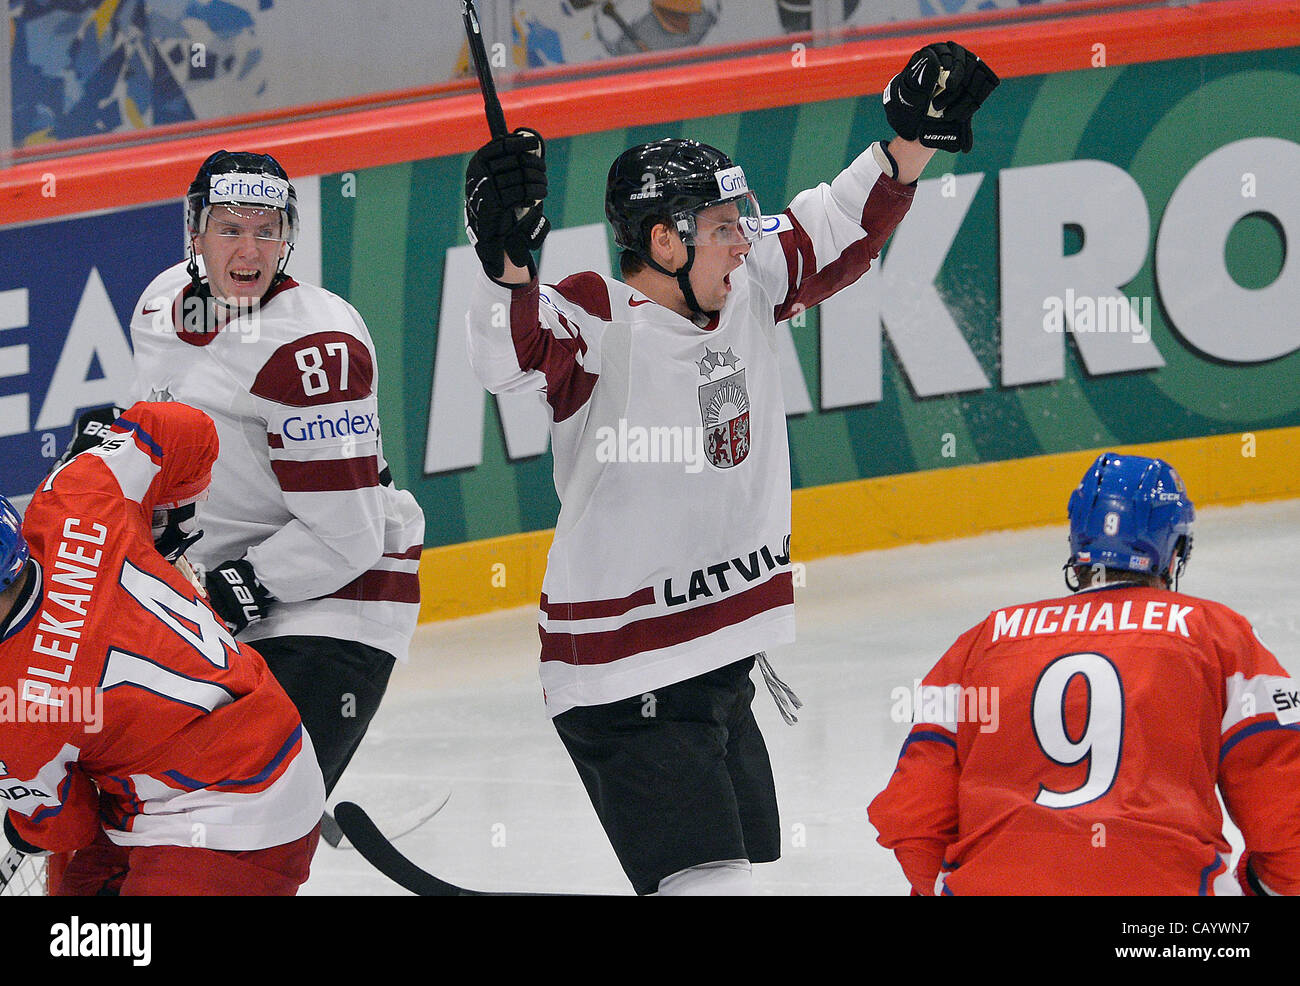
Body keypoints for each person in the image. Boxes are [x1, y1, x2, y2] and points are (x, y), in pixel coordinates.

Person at [463, 43, 998, 894]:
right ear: (665, 241)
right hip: (624, 673)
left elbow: (837, 227)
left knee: (743, 871)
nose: (742, 238)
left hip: (714, 661)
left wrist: (911, 138)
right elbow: (510, 355)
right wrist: (506, 265)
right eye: (721, 226)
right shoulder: (604, 316)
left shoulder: (743, 282)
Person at [124, 149, 425, 797]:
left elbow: (349, 535)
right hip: (220, 597)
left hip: (337, 601)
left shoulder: (315, 349)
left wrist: (231, 590)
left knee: (248, 824)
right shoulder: (160, 305)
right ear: (194, 232)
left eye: (268, 230)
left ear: (288, 236)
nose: (250, 250)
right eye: (230, 228)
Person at [868, 452, 1300, 895]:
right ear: (1174, 552)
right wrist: (1262, 884)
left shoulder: (983, 641)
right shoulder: (1216, 636)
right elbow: (1288, 807)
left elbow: (914, 815)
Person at [0, 401, 325, 895]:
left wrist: (18, 823)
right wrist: (164, 528)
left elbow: (67, 827)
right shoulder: (75, 495)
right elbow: (184, 428)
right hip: (258, 732)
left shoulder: (15, 711)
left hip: (238, 818)